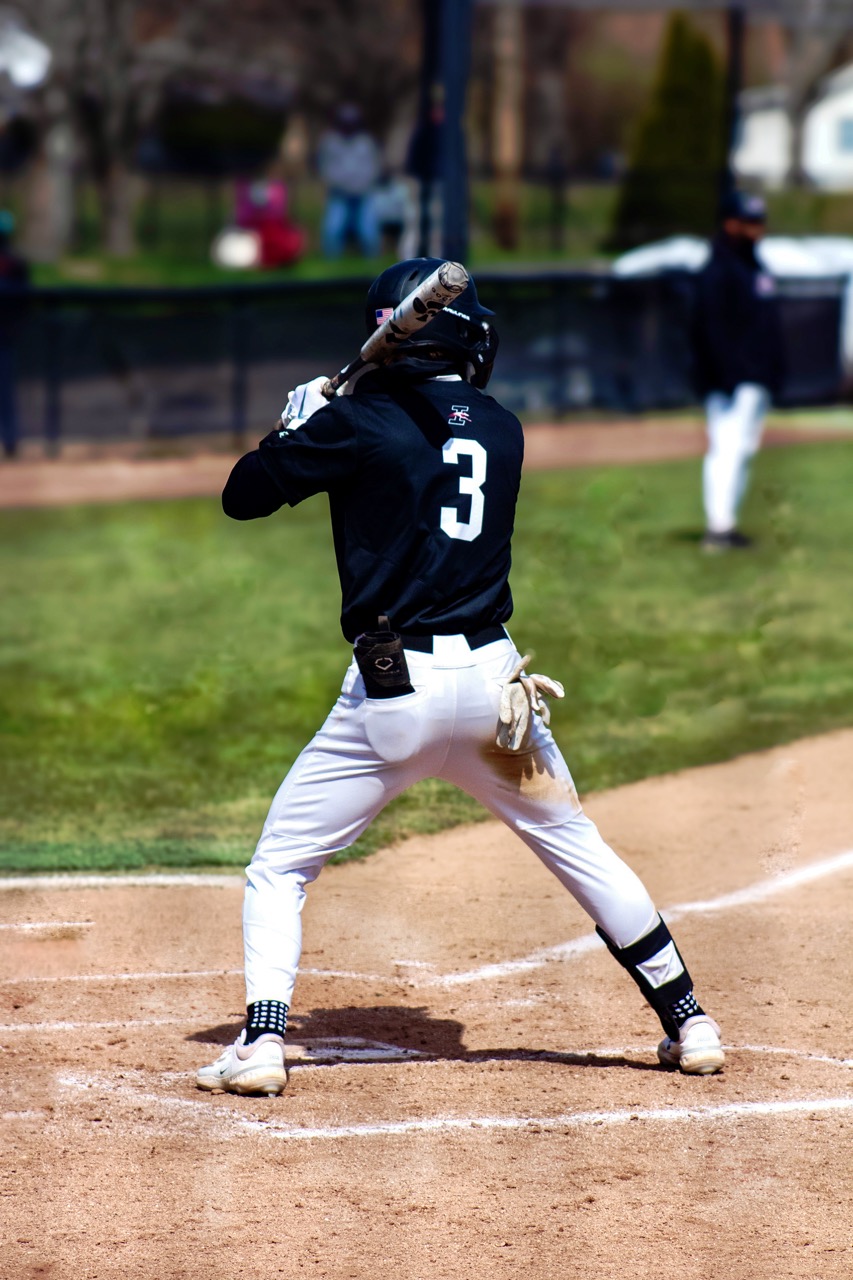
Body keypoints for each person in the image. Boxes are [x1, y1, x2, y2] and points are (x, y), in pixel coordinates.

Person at [197, 257, 725, 1097]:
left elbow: (243, 497)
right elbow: (432, 437)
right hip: (493, 692)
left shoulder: (356, 423)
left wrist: (294, 431)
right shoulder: (502, 426)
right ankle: (688, 1020)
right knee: (575, 845)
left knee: (279, 867)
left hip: (390, 694)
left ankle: (262, 1043)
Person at [693, 191, 786, 551]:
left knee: (743, 449)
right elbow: (709, 329)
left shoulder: (755, 266)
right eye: (749, 222)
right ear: (729, 223)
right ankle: (718, 528)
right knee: (726, 448)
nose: (756, 229)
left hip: (757, 377)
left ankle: (727, 525)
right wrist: (724, 375)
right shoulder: (717, 270)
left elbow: (767, 326)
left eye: (759, 222)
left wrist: (774, 371)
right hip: (731, 380)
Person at [316, 104, 382, 259]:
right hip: (339, 193)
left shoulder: (366, 142)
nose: (348, 125)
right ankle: (331, 263)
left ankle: (373, 262)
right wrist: (337, 182)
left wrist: (365, 182)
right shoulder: (330, 142)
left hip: (364, 193)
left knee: (368, 230)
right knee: (333, 228)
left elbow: (374, 165)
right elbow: (324, 167)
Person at [0, 210, 30, 459]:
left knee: (5, 393)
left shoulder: (15, 264)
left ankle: (10, 442)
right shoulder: (17, 263)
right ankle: (10, 441)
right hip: (8, 336)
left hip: (5, 338)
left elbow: (24, 302)